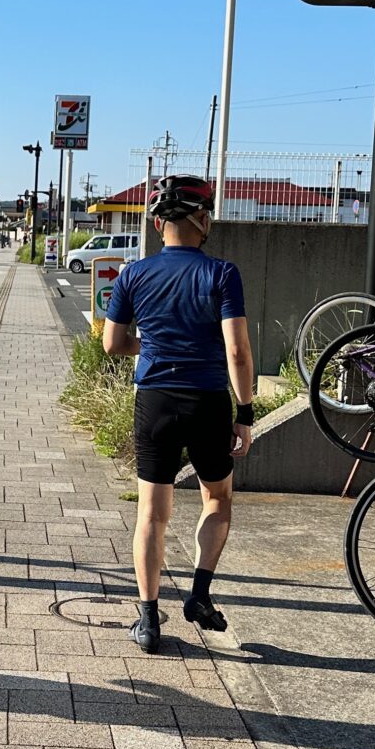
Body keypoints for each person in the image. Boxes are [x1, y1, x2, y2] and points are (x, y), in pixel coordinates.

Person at [99, 175, 254, 652]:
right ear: (201, 220)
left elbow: (113, 343)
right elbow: (238, 352)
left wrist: (157, 347)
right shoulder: (222, 274)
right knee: (217, 498)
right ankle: (200, 595)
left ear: (156, 222)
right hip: (207, 399)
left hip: (156, 400)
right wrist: (245, 411)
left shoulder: (133, 274)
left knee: (152, 513)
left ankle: (147, 621)